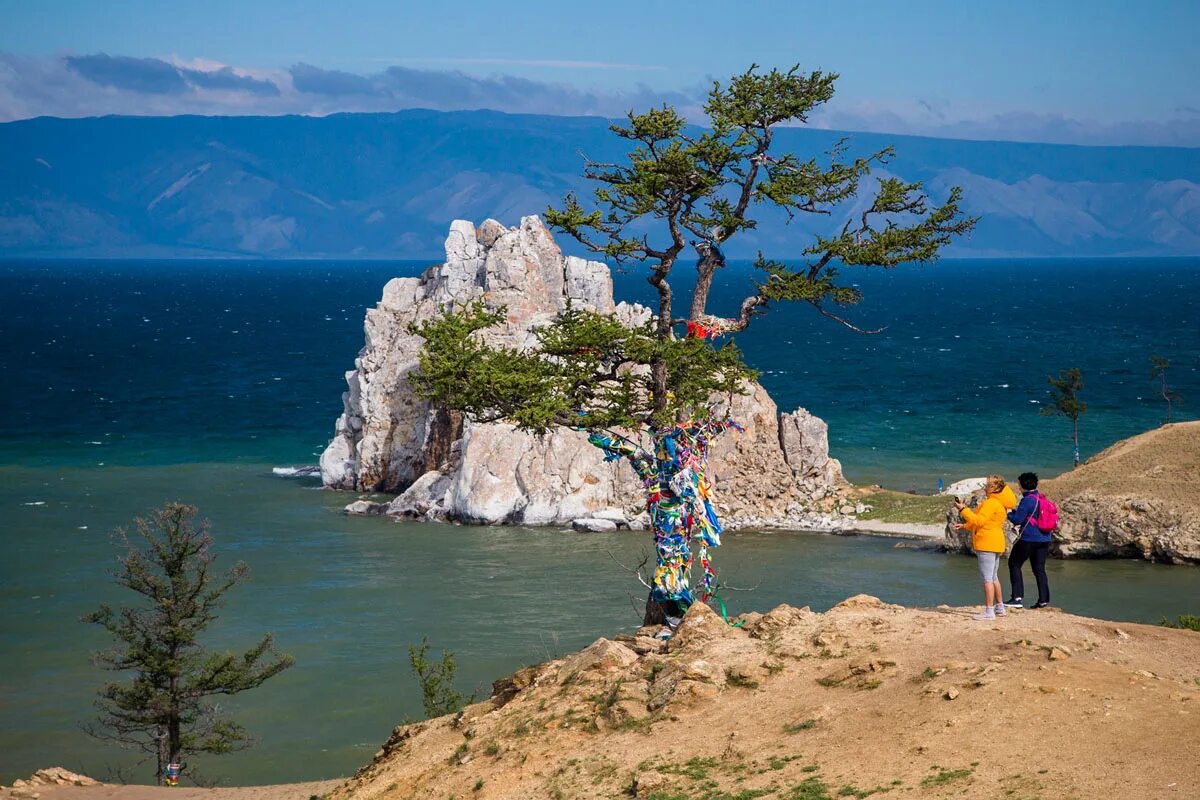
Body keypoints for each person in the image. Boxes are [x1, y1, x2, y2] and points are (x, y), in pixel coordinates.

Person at [954, 475, 1018, 620]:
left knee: (987, 578)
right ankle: (1000, 607)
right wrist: (964, 525)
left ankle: (989, 611)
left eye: (986, 486)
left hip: (986, 543)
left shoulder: (991, 503)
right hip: (996, 542)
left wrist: (963, 509)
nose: (984, 488)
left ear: (992, 489)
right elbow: (983, 522)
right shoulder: (1000, 504)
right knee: (994, 577)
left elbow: (979, 520)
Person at [1006, 472, 1052, 608]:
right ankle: (1043, 600)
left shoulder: (1027, 500)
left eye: (1019, 484)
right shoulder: (1042, 498)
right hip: (1045, 538)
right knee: (1039, 569)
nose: (1018, 487)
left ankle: (1017, 598)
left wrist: (1009, 513)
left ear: (1023, 485)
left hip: (1029, 538)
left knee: (1014, 563)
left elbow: (1018, 520)